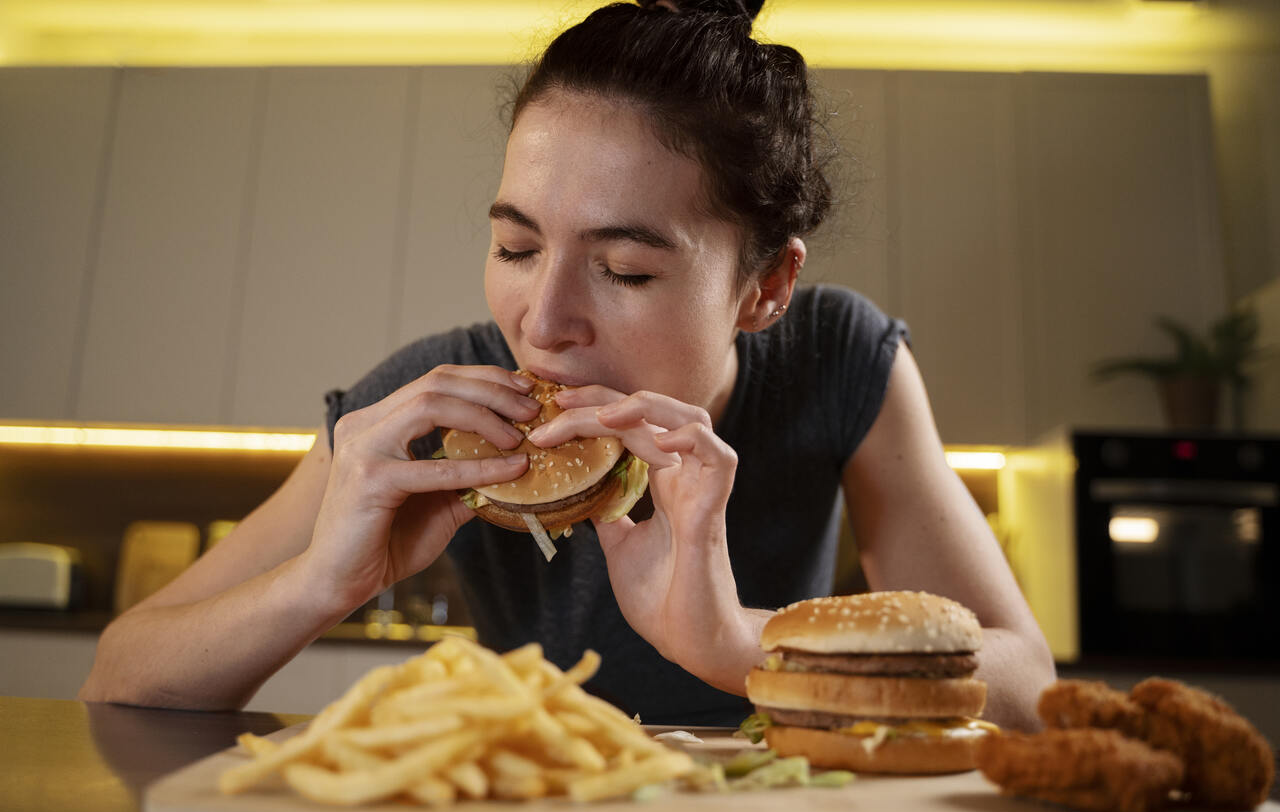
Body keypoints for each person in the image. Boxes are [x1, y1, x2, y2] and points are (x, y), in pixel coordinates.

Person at [80, 0, 1055, 729]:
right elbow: (119, 672)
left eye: (623, 269)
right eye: (515, 249)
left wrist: (729, 639)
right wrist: (320, 584)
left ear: (762, 288)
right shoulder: (427, 401)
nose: (542, 323)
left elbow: (1024, 686)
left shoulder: (838, 362)